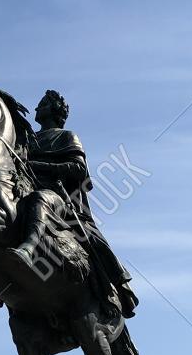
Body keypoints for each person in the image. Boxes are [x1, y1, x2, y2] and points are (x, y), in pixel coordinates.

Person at [11, 90, 139, 318]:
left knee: (93, 240)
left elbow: (79, 170)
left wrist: (38, 165)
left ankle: (118, 284)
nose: (37, 108)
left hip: (61, 201)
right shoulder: (27, 139)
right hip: (24, 195)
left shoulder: (67, 136)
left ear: (54, 111)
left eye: (42, 104)